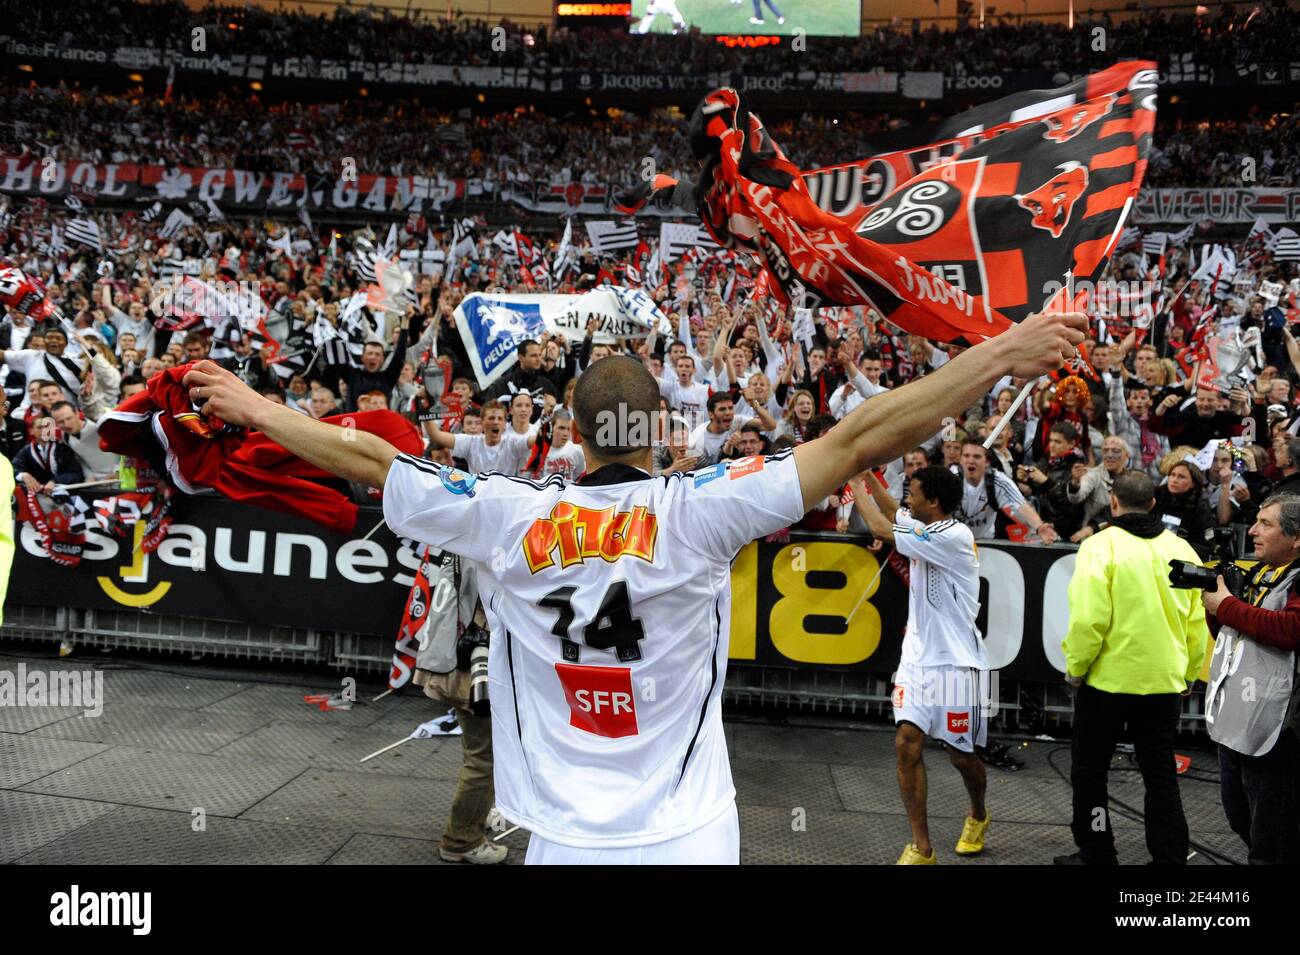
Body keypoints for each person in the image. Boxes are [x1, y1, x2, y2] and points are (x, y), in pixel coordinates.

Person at [180, 309, 1085, 864]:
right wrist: (998, 354)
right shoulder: (703, 509)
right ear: (659, 425)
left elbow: (369, 456)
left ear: (572, 431)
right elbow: (860, 437)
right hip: (692, 831)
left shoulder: (509, 512)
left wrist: (255, 407)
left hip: (564, 838)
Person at [1058, 469, 1209, 865]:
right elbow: (1197, 623)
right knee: (1160, 773)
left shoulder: (1099, 547)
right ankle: (1170, 857)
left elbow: (1088, 619)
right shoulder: (1183, 550)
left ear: (1113, 502)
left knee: (1090, 773)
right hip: (1163, 684)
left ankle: (1096, 852)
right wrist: (1190, 673)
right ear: (1154, 503)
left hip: (1106, 683)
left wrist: (1076, 668)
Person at [851, 466, 990, 865]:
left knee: (960, 756)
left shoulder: (955, 537)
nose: (907, 498)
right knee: (906, 742)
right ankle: (921, 848)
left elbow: (881, 525)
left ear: (934, 502)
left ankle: (978, 813)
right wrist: (866, 474)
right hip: (916, 660)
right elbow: (896, 513)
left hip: (957, 664)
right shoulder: (925, 525)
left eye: (913, 493)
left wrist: (850, 481)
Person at [1201, 494, 1300, 865]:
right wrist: (1215, 608)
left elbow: (1292, 629)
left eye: (1266, 524)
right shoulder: (1259, 571)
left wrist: (1226, 606)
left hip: (1280, 729)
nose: (1254, 531)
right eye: (1256, 521)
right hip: (1238, 719)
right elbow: (1236, 635)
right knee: (1240, 817)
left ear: (1297, 539)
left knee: (1273, 837)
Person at [958, 441, 1057, 542]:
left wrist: (1039, 527)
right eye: (966, 456)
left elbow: (1020, 505)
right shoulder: (950, 480)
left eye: (977, 457)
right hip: (953, 541)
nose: (971, 461)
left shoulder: (998, 481)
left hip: (984, 542)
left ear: (987, 462)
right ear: (960, 459)